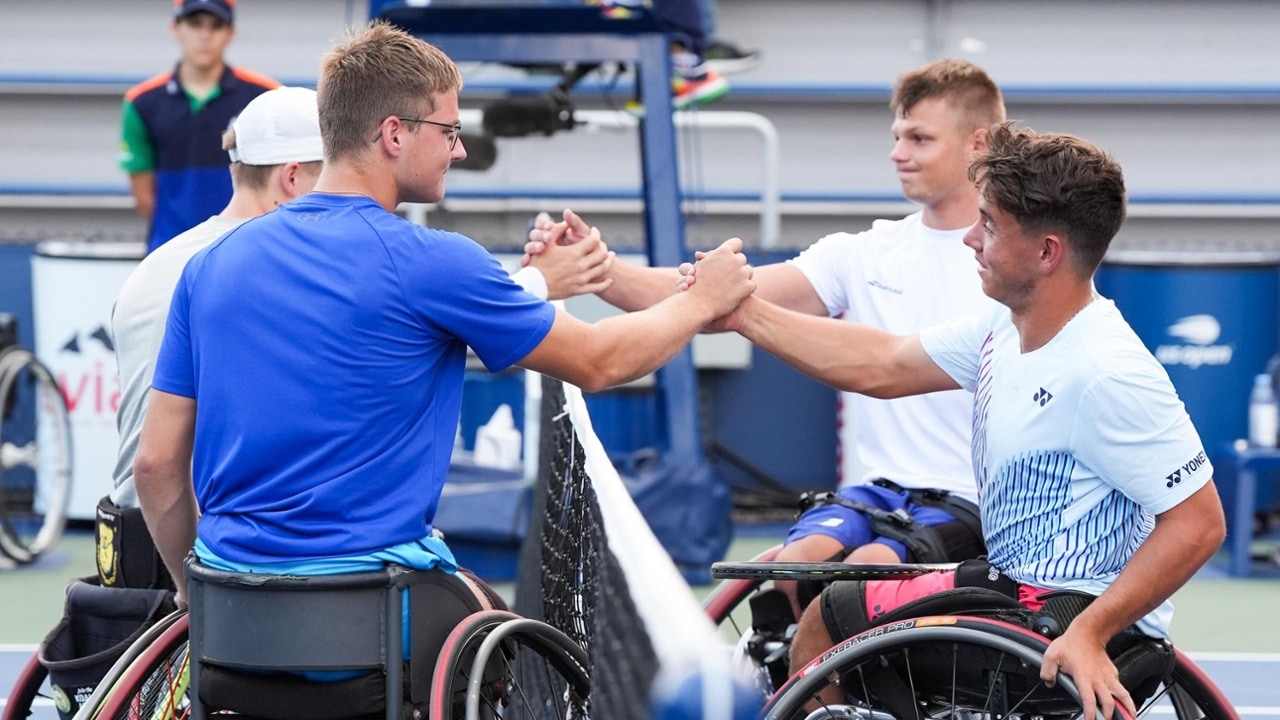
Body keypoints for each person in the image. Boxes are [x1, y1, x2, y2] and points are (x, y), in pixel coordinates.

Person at [133, 19, 754, 623]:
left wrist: (193, 592)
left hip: (231, 609)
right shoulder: (437, 261)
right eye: (449, 130)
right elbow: (599, 360)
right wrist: (702, 299)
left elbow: (156, 465)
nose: (459, 149)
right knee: (508, 633)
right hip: (375, 611)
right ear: (393, 134)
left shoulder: (207, 267)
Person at [711, 122, 1226, 720]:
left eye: (989, 225)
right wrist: (743, 313)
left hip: (1064, 611)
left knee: (830, 616)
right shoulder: (1003, 327)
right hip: (1014, 587)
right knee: (845, 595)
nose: (970, 240)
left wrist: (1091, 630)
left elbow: (1199, 524)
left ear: (1047, 252)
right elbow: (882, 362)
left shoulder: (1105, 371)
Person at [527, 59, 1005, 617]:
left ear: (977, 143)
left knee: (862, 580)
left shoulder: (1014, 265)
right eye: (897, 136)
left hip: (973, 505)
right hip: (873, 494)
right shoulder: (861, 252)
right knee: (790, 573)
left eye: (919, 139)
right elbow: (710, 300)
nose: (898, 153)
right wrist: (599, 268)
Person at [106, 87, 615, 588]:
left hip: (159, 551)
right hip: (206, 553)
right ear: (291, 178)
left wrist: (531, 284)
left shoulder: (174, 266)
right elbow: (374, 308)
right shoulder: (259, 266)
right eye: (331, 166)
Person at [119, 0, 279, 254]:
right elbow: (144, 197)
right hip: (169, 251)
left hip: (244, 250)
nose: (205, 35)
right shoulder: (141, 103)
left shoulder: (265, 96)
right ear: (175, 28)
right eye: (195, 23)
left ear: (230, 33)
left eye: (216, 25)